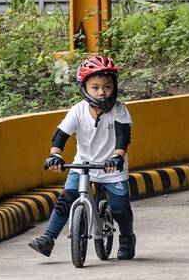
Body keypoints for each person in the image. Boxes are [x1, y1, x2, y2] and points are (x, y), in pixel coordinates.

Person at [28, 54, 136, 260]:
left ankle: (127, 238)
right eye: (95, 87)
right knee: (66, 198)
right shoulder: (78, 110)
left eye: (107, 87)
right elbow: (61, 135)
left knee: (121, 209)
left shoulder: (119, 110)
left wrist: (118, 156)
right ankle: (48, 238)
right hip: (83, 164)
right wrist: (54, 156)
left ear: (114, 87)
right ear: (84, 87)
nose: (102, 92)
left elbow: (123, 136)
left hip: (112, 167)